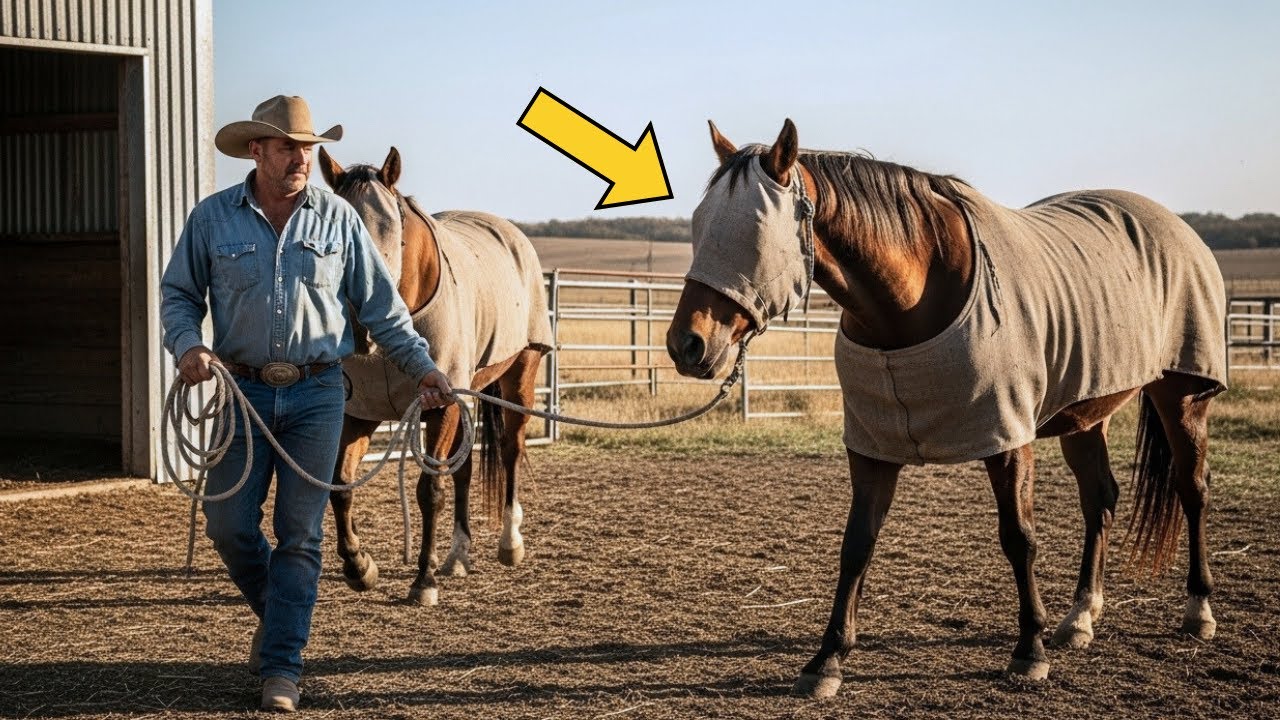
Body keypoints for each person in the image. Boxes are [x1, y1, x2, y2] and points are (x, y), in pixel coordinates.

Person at [160, 95, 454, 713]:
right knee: (229, 525)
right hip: (240, 392)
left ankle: (282, 667)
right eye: (289, 146)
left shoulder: (340, 221)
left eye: (308, 146)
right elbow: (179, 296)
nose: (302, 157)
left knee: (300, 534)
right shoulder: (213, 220)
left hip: (319, 392)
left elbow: (382, 309)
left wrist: (425, 367)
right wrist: (188, 346)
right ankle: (282, 619)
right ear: (256, 150)